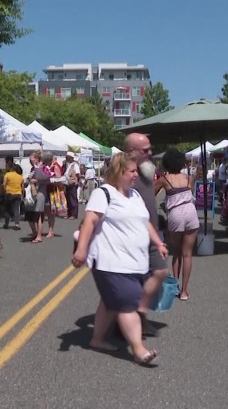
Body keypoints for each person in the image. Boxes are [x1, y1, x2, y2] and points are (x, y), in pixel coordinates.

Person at [72, 152, 168, 365]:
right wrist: (81, 249)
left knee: (110, 302)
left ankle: (97, 339)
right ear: (119, 172)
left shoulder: (135, 195)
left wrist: (158, 243)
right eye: (132, 171)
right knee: (127, 303)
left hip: (133, 262)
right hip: (110, 262)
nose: (136, 175)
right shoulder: (103, 193)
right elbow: (89, 222)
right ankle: (139, 350)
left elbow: (145, 222)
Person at [124, 133, 169, 337]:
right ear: (130, 151)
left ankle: (139, 313)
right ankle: (131, 322)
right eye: (145, 150)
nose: (150, 153)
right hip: (132, 236)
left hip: (151, 233)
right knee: (132, 282)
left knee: (160, 271)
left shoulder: (146, 169)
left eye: (150, 149)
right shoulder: (123, 172)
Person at [156, 148, 200, 301]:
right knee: (188, 254)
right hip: (191, 212)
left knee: (177, 252)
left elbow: (151, 193)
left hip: (175, 214)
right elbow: (190, 192)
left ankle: (175, 286)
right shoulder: (188, 178)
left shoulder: (164, 179)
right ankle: (184, 291)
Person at [26, 150, 50, 243]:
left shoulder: (43, 167)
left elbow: (48, 180)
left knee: (39, 213)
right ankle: (35, 233)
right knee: (31, 213)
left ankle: (39, 235)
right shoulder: (33, 168)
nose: (30, 161)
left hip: (41, 193)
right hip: (32, 192)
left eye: (31, 159)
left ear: (36, 158)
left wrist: (37, 180)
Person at [2, 160, 24, 230]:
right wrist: (22, 195)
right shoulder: (20, 176)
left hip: (9, 193)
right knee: (16, 210)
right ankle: (17, 224)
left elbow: (4, 184)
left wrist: (4, 191)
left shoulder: (7, 175)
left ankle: (6, 224)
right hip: (18, 194)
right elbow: (22, 187)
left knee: (7, 209)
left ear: (10, 167)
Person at [63, 152, 81, 220]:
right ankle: (69, 213)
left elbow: (78, 174)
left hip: (73, 184)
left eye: (68, 157)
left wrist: (76, 181)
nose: (66, 158)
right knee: (68, 199)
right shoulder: (69, 165)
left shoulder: (75, 165)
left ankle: (74, 214)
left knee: (73, 199)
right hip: (68, 184)